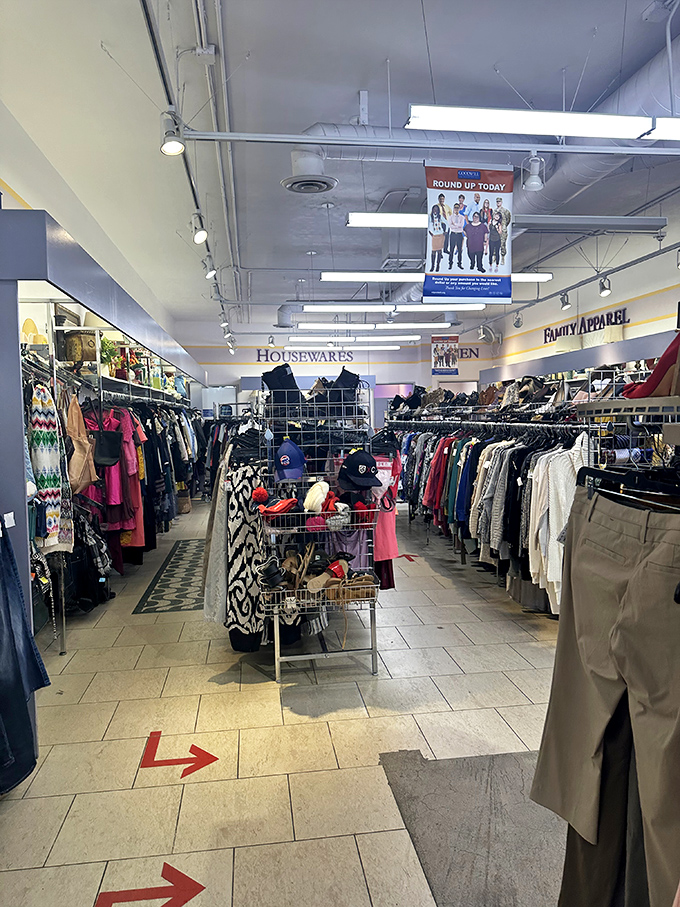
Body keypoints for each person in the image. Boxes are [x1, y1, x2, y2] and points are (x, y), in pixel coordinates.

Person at [447, 202, 466, 269]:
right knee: (451, 250)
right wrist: (456, 226)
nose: (456, 209)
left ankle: (459, 264)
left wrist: (454, 224)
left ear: (459, 209)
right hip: (453, 234)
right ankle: (450, 263)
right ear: (453, 209)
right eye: (455, 208)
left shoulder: (462, 217)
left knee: (459, 250)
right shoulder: (450, 217)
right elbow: (450, 226)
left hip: (459, 234)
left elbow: (461, 226)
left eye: (457, 208)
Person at [495, 196, 512, 265]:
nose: (498, 203)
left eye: (499, 202)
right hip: (496, 230)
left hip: (503, 230)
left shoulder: (505, 211)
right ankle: (494, 257)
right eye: (497, 202)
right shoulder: (494, 211)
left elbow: (508, 219)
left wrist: (504, 226)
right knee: (495, 243)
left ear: (501, 202)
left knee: (502, 244)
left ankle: (502, 258)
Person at [429, 205, 445, 272]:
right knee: (433, 251)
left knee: (439, 251)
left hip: (440, 234)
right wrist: (430, 232)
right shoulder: (430, 217)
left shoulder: (440, 216)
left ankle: (438, 265)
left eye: (436, 209)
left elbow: (446, 223)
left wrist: (445, 231)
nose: (435, 211)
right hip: (434, 235)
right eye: (434, 209)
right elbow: (428, 225)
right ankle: (432, 266)